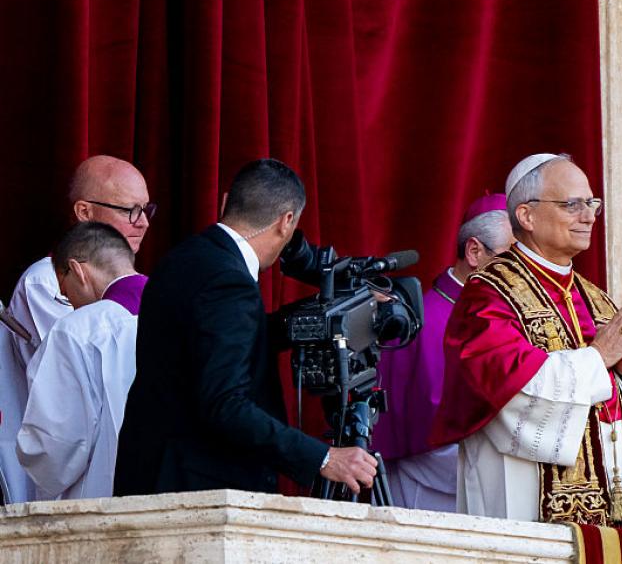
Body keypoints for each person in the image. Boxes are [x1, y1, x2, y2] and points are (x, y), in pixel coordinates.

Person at [430, 153, 622, 529]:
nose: (589, 216)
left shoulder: (597, 300)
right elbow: (503, 382)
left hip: (615, 509)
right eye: (572, 204)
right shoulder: (490, 292)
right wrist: (596, 359)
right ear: (526, 216)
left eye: (592, 204)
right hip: (525, 498)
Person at [113, 159, 376, 496]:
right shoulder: (229, 280)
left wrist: (317, 316)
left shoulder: (182, 259)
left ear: (226, 202)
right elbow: (225, 403)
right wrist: (323, 457)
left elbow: (217, 340)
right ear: (286, 222)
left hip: (151, 476)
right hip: (198, 491)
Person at [1, 154, 152, 504]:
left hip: (97, 481)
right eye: (129, 209)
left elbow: (61, 436)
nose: (142, 222)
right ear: (84, 212)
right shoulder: (47, 280)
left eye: (146, 209)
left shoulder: (87, 321)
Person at [373, 192, 513, 512]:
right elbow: (424, 438)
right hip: (431, 496)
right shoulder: (420, 323)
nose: (520, 277)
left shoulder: (512, 317)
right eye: (511, 261)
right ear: (475, 251)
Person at [17, 222, 147, 499]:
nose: (71, 303)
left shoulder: (79, 330)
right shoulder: (187, 310)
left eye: (66, 293)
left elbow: (57, 444)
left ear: (78, 271)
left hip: (102, 501)